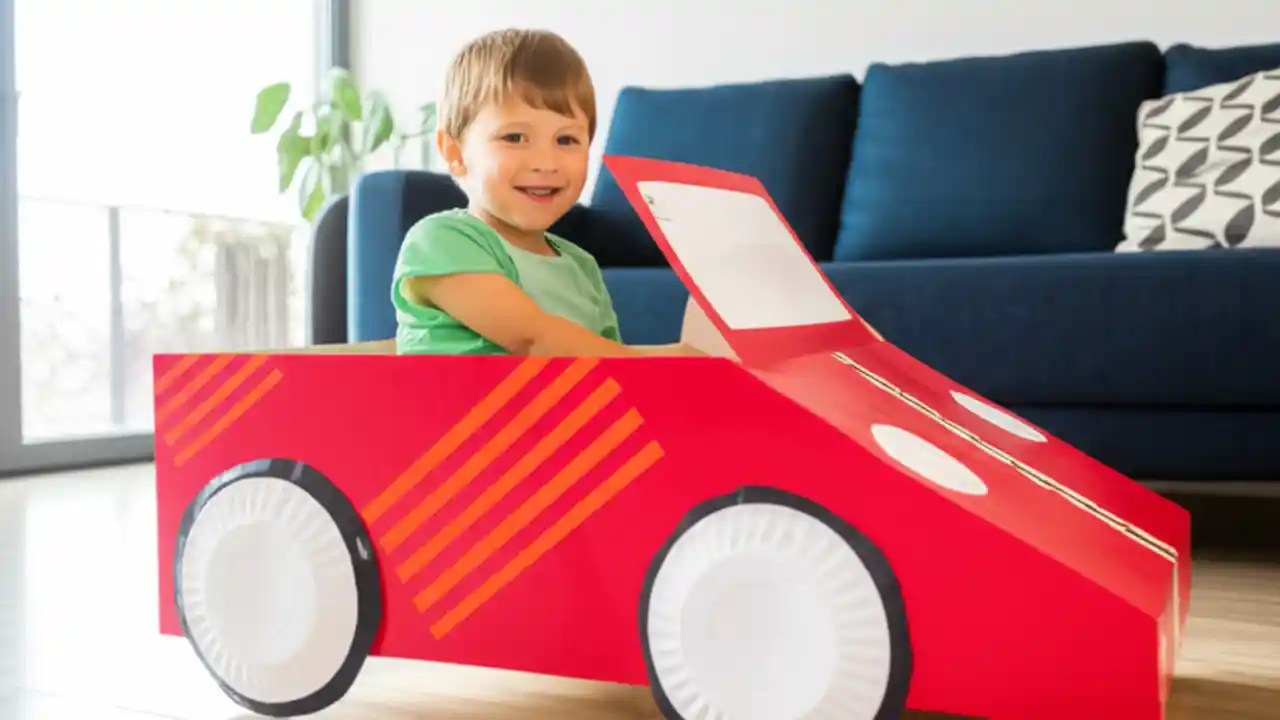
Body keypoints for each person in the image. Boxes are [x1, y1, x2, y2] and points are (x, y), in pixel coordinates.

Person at [391, 28, 701, 357]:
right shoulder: (440, 240)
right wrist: (660, 361)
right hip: (459, 409)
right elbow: (530, 336)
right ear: (455, 152)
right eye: (514, 138)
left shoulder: (582, 267)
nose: (545, 162)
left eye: (566, 140)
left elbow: (608, 367)